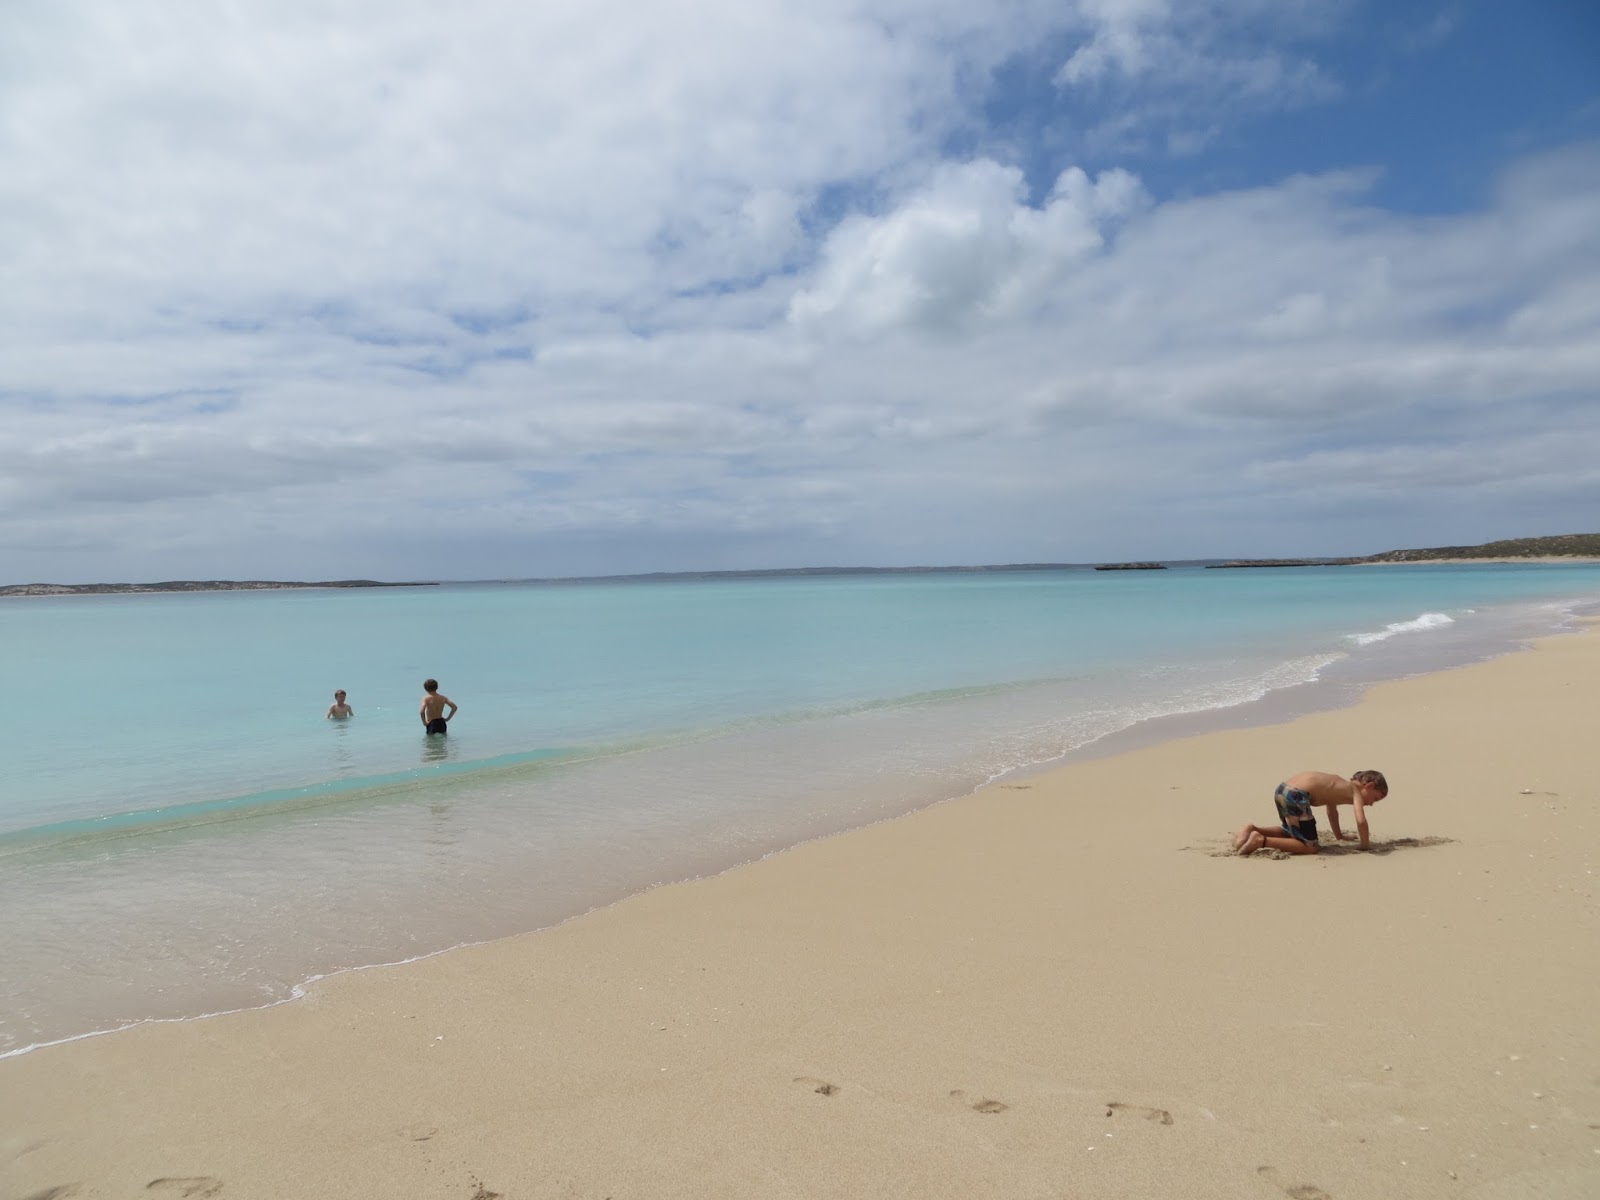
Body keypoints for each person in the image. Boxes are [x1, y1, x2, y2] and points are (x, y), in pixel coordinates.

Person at [1234, 769, 1388, 855]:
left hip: (1283, 789)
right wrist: (1365, 845)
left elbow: (1331, 811)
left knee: (1291, 832)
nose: (1371, 804)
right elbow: (1361, 821)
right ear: (1368, 786)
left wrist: (1339, 836)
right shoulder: (1355, 793)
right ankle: (1261, 840)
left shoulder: (1339, 784)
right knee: (1310, 847)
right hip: (1297, 794)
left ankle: (1252, 829)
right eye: (1375, 798)